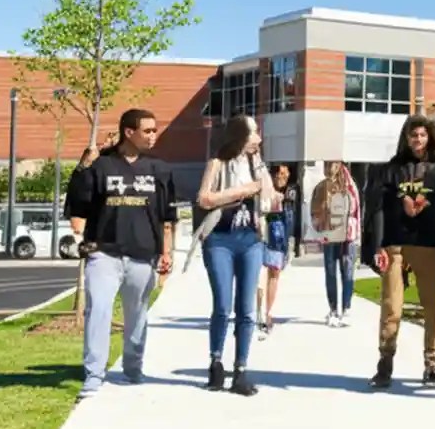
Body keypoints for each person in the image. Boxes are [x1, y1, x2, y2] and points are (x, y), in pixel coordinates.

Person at [67, 109, 176, 401]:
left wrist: (166, 252)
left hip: (143, 254)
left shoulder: (159, 169)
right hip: (104, 253)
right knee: (98, 310)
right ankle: (94, 374)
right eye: (147, 131)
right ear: (129, 132)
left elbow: (167, 217)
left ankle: (133, 367)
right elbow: (78, 203)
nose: (153, 135)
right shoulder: (102, 166)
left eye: (154, 130)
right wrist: (83, 166)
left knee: (137, 315)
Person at [362, 115, 435, 388]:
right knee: (392, 306)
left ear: (429, 138)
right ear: (406, 138)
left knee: (432, 306)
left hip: (427, 242)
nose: (418, 140)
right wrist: (379, 244)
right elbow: (379, 207)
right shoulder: (392, 169)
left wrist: (429, 201)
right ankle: (385, 361)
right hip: (396, 244)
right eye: (414, 135)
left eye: (423, 135)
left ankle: (432, 363)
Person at [193, 114, 277, 396]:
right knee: (222, 305)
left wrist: (261, 171)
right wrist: (242, 191)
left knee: (247, 308)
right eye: (253, 133)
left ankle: (241, 369)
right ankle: (216, 363)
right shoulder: (217, 164)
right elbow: (204, 198)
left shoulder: (256, 165)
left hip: (250, 240)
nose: (258, 139)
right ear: (239, 136)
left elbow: (269, 197)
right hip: (219, 240)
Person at [310, 160, 361, 327]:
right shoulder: (321, 186)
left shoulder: (349, 185)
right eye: (325, 164)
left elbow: (354, 208)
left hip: (346, 234)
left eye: (330, 164)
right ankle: (332, 309)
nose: (327, 168)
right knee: (330, 273)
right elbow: (315, 209)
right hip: (329, 233)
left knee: (347, 272)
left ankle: (346, 308)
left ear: (338, 164)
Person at [256, 164, 300, 340]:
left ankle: (269, 312)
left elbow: (293, 219)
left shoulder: (290, 194)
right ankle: (259, 312)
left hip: (279, 238)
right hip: (263, 235)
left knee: (274, 274)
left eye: (286, 174)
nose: (284, 177)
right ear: (273, 175)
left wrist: (292, 243)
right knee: (259, 275)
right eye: (281, 174)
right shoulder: (263, 189)